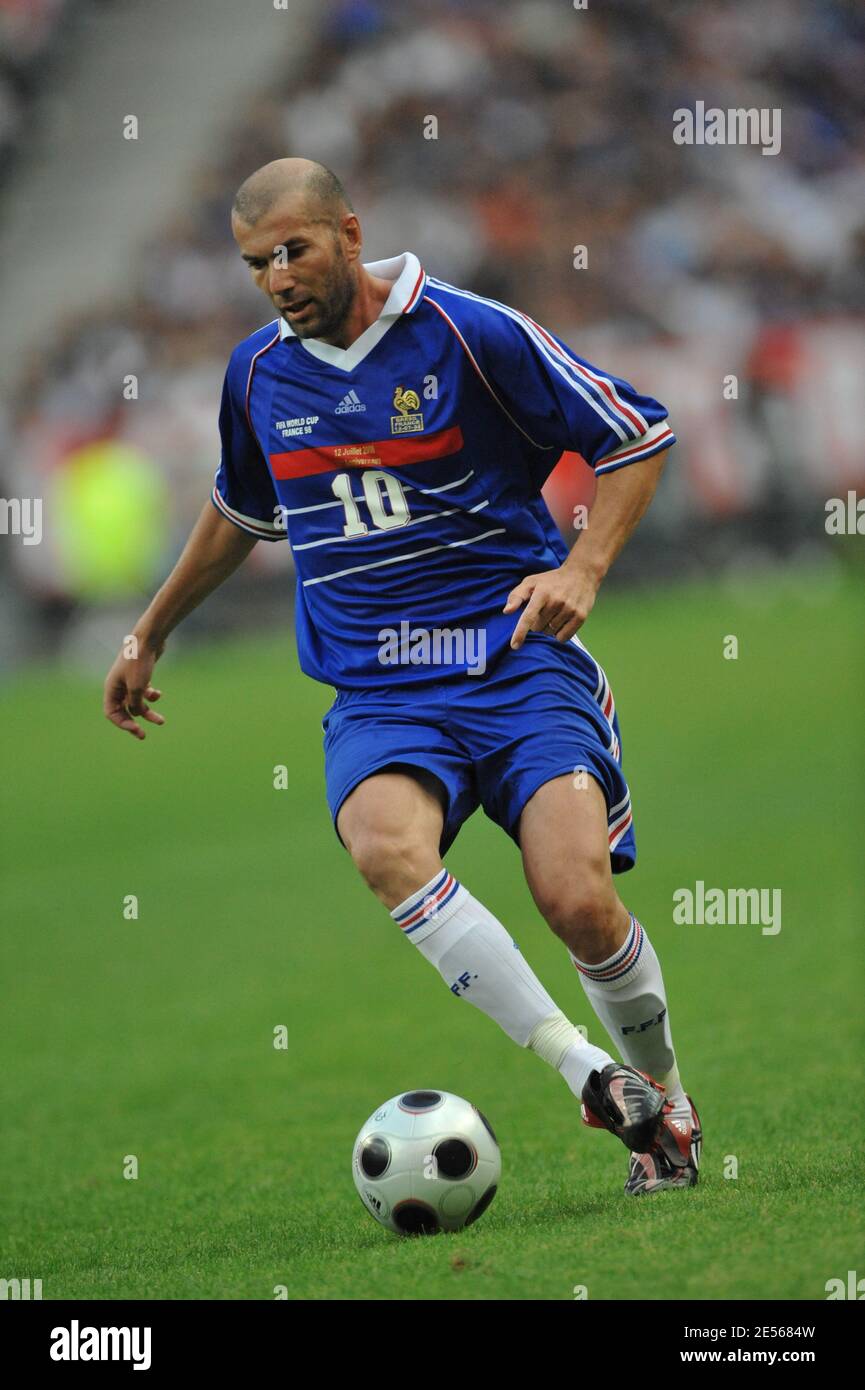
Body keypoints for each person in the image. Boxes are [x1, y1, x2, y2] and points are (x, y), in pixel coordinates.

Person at [103, 158, 700, 1196]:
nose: (277, 277)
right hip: (380, 693)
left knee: (575, 898)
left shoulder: (470, 331)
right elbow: (240, 513)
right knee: (386, 845)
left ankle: (666, 1100)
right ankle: (588, 1072)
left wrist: (583, 565)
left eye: (293, 250)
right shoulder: (256, 374)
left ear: (347, 229)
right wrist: (147, 632)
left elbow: (635, 432)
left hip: (512, 664)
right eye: (255, 263)